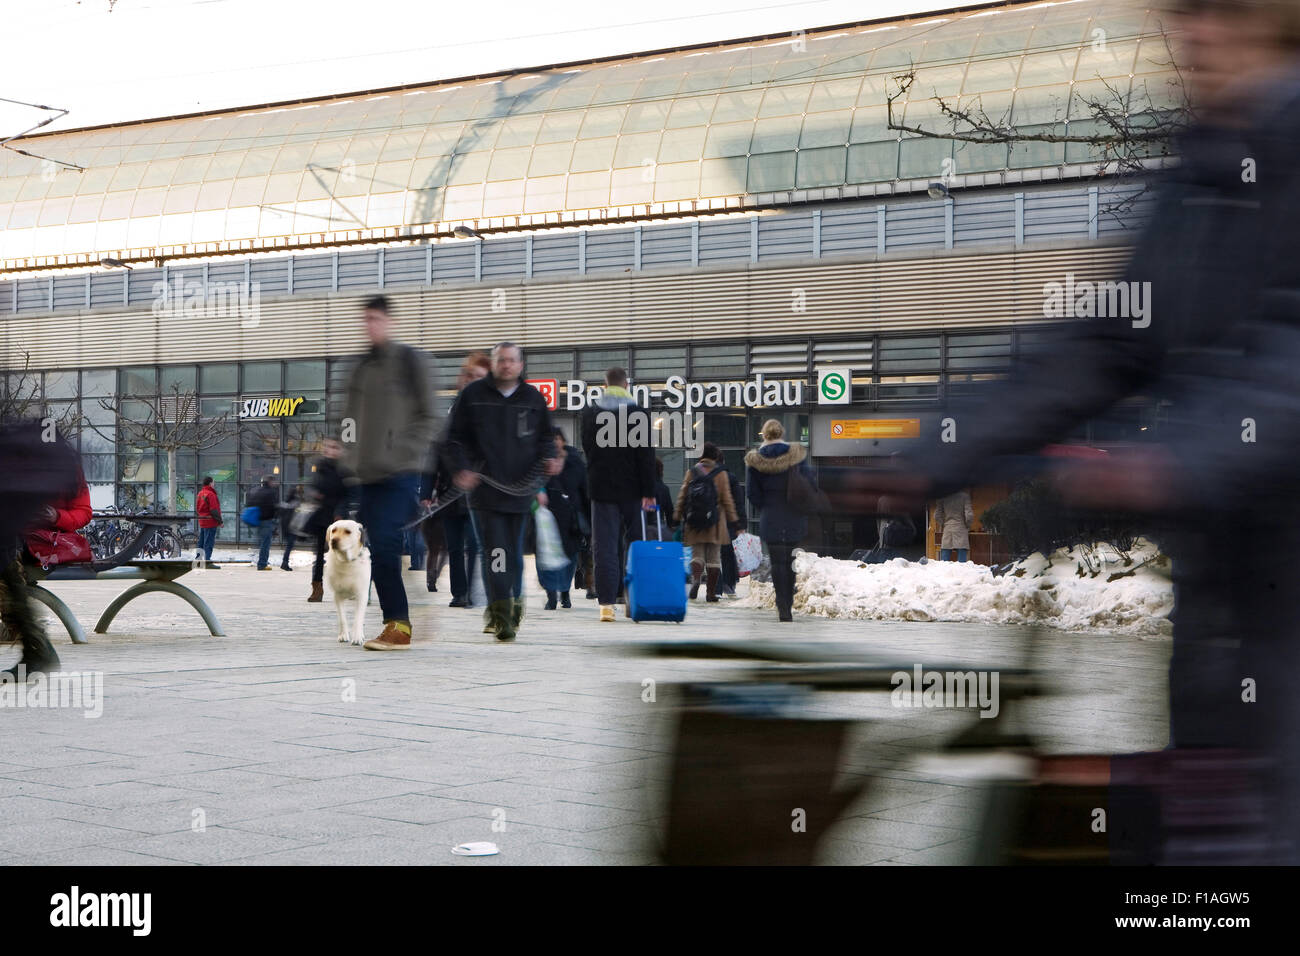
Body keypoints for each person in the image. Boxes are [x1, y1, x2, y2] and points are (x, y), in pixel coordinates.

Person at [856, 0, 1300, 862]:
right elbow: (1100, 344)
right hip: (1228, 604)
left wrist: (1173, 463)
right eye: (1184, 12)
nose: (1194, 35)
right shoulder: (1202, 174)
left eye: (1225, 11)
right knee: (1214, 825)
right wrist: (933, 452)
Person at [442, 342, 560, 641]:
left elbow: (547, 437)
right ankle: (501, 612)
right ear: (494, 364)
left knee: (514, 552)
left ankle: (513, 603)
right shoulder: (473, 395)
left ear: (520, 365)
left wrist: (550, 460)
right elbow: (453, 438)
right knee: (496, 552)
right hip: (485, 489)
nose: (506, 365)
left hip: (521, 489)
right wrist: (462, 468)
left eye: (511, 361)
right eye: (500, 360)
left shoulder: (533, 398)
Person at [340, 294, 438, 650]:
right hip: (367, 476)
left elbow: (428, 416)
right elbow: (349, 418)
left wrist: (399, 452)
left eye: (377, 320)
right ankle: (406, 616)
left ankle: (399, 626)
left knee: (385, 546)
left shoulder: (410, 361)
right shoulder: (360, 366)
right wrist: (348, 456)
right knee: (379, 549)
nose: (371, 326)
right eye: (366, 320)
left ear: (389, 322)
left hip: (401, 472)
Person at [1, 447, 91, 676]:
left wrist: (57, 516)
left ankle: (35, 646)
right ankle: (35, 646)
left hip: (43, 541)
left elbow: (83, 512)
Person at [580, 366, 656, 622]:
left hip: (601, 488)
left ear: (605, 385)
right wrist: (649, 491)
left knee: (604, 546)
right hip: (633, 490)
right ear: (626, 385)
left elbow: (587, 449)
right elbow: (645, 455)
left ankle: (606, 605)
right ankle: (632, 598)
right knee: (635, 544)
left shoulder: (590, 413)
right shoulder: (639, 413)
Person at [420, 352, 490, 607]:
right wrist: (425, 494)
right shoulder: (447, 426)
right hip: (451, 496)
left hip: (477, 494)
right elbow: (432, 461)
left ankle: (470, 592)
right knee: (455, 548)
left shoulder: (487, 417)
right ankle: (459, 593)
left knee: (473, 545)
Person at [745, 420, 815, 622]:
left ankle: (781, 604)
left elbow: (752, 493)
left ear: (764, 435)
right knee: (790, 560)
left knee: (777, 562)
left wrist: (765, 506)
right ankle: (789, 603)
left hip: (771, 515)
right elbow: (809, 482)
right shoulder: (796, 456)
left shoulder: (755, 460)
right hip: (794, 514)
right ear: (781, 433)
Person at [675, 442, 739, 603]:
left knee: (697, 556)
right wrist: (734, 520)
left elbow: (683, 495)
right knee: (714, 558)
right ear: (715, 456)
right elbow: (727, 500)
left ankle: (696, 580)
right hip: (716, 523)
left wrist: (676, 515)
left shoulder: (692, 472)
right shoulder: (721, 474)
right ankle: (711, 593)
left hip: (694, 521)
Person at [536, 427, 589, 609]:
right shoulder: (542, 462)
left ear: (563, 441)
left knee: (570, 555)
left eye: (556, 439)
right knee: (545, 555)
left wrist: (587, 517)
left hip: (571, 518)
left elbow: (584, 489)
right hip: (547, 518)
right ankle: (551, 594)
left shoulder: (575, 462)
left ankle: (565, 591)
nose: (554, 443)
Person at [305, 437, 354, 603]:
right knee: (318, 555)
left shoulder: (345, 470)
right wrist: (313, 493)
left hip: (339, 519)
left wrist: (340, 511)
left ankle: (346, 587)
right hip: (321, 517)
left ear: (341, 450)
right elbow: (312, 486)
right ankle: (317, 589)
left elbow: (349, 495)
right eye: (326, 446)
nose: (328, 450)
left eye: (334, 447)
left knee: (342, 555)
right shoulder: (319, 466)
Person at [715, 449, 745, 599]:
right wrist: (741, 524)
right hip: (728, 521)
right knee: (727, 554)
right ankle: (729, 584)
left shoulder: (706, 476)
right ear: (723, 461)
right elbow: (739, 503)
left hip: (711, 521)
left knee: (713, 555)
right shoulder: (731, 478)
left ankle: (715, 587)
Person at [246, 475, 279, 571]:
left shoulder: (257, 491)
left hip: (258, 520)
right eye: (273, 482)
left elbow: (249, 503)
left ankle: (260, 561)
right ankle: (262, 564)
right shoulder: (271, 492)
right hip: (267, 520)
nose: (274, 483)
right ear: (269, 482)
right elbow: (274, 507)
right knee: (265, 543)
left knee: (260, 542)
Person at [933, 490, 973, 562]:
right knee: (962, 563)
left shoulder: (942, 497)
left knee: (944, 561)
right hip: (961, 528)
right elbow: (969, 516)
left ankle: (944, 573)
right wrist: (967, 526)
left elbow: (936, 516)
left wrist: (944, 524)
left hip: (947, 529)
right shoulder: (964, 496)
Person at [195, 476, 222, 562]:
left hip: (202, 521)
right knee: (209, 542)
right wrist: (220, 521)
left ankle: (198, 558)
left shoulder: (200, 493)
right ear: (210, 483)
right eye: (213, 482)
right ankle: (207, 561)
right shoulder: (211, 494)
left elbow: (197, 508)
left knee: (201, 542)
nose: (214, 484)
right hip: (210, 522)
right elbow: (214, 510)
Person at [278, 484, 304, 571]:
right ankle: (284, 563)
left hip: (285, 528)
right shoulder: (296, 503)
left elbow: (280, 515)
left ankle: (285, 562)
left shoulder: (284, 503)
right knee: (289, 547)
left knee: (288, 546)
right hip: (293, 528)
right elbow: (299, 516)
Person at [653, 458, 677, 533]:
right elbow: (669, 510)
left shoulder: (641, 487)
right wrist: (671, 526)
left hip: (642, 524)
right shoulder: (664, 489)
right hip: (658, 525)